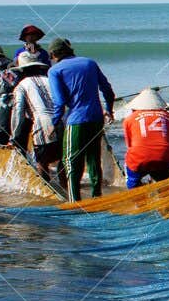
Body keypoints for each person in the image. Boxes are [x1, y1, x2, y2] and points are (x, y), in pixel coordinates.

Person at [47, 38, 117, 200]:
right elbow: (107, 89)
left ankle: (74, 201)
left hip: (76, 120)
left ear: (54, 54)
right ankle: (96, 197)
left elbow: (59, 101)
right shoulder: (89, 63)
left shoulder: (55, 71)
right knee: (93, 158)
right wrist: (109, 110)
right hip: (96, 117)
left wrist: (54, 122)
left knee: (70, 161)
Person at [7, 50, 61, 185]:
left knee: (42, 163)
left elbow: (18, 113)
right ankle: (68, 190)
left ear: (22, 71)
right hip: (61, 121)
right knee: (62, 159)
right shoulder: (50, 80)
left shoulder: (21, 86)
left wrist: (15, 136)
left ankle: (49, 190)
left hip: (42, 124)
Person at [121, 88, 169, 187]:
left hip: (139, 158)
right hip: (166, 158)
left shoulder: (129, 119)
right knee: (163, 179)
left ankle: (134, 191)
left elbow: (129, 145)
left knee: (132, 177)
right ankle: (164, 192)